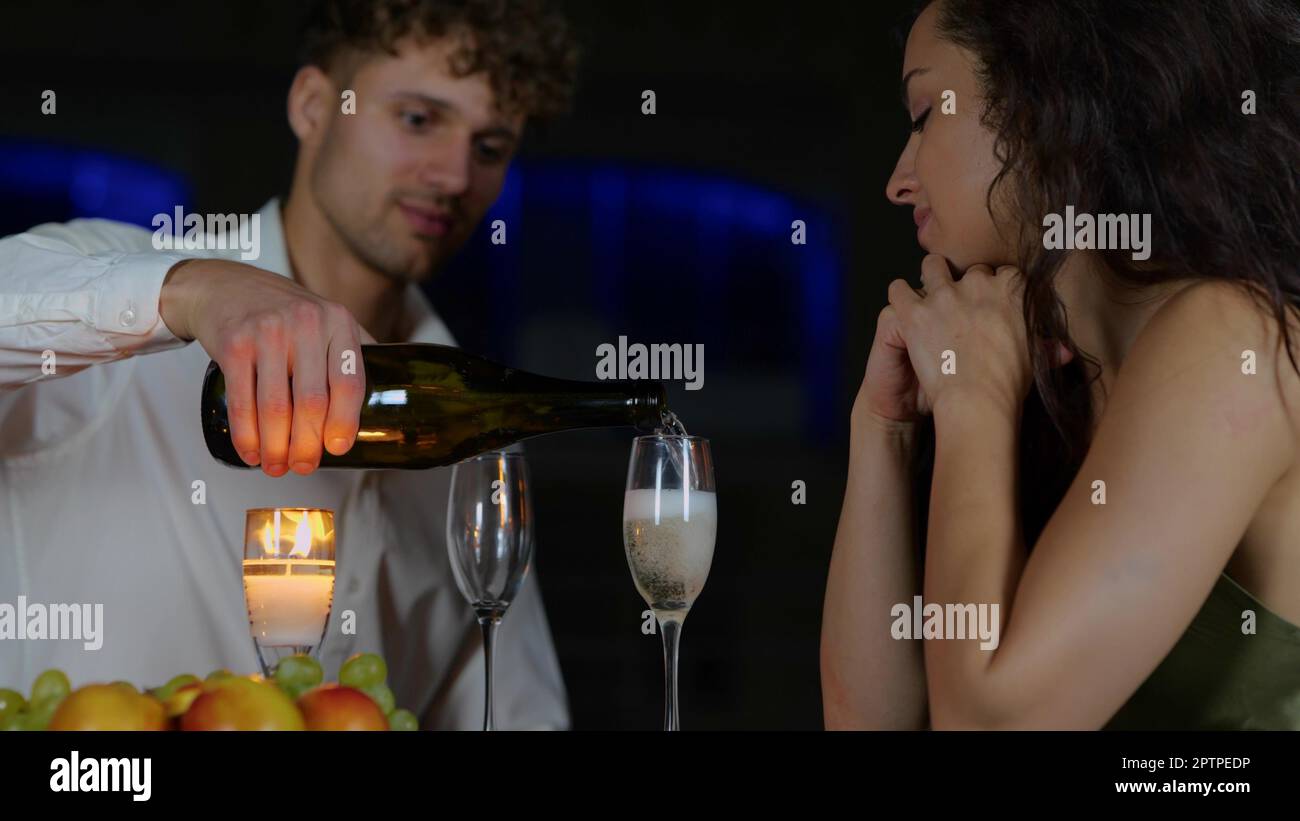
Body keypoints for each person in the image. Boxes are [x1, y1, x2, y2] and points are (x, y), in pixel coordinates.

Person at [0, 0, 578, 729]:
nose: (455, 174)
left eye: (490, 148)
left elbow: (520, 711)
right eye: (419, 119)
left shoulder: (479, 428)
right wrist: (195, 289)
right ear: (312, 105)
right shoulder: (121, 297)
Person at [822, 0, 1300, 729]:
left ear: (1040, 99)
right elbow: (867, 723)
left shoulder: (1231, 337)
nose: (899, 179)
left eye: (924, 115)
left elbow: (989, 722)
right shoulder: (1050, 383)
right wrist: (882, 427)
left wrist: (971, 403)